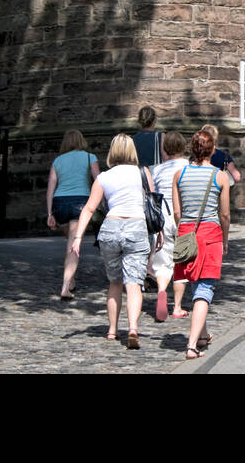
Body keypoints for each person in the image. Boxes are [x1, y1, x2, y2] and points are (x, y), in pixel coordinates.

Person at [71, 134, 161, 349]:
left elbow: (90, 208)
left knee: (114, 282)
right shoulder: (143, 173)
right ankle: (132, 328)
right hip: (136, 228)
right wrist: (160, 233)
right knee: (134, 283)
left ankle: (112, 330)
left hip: (110, 229)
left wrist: (77, 238)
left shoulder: (103, 177)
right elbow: (154, 205)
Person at [173, 130, 230, 360]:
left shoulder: (179, 174)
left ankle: (203, 335)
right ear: (212, 150)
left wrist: (186, 231)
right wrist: (225, 239)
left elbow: (177, 212)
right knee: (205, 288)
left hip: (186, 232)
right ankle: (192, 345)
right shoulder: (220, 176)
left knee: (196, 285)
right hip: (210, 234)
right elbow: (224, 214)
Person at [46, 130, 100, 299]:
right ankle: (65, 286)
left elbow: (50, 189)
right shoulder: (89, 157)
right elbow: (98, 181)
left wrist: (49, 213)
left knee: (70, 240)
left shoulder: (58, 161)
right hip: (80, 202)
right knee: (73, 244)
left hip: (59, 203)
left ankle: (71, 280)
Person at [150, 131, 190, 321]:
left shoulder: (156, 170)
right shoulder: (189, 167)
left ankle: (161, 290)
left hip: (163, 219)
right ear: (183, 148)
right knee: (181, 261)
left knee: (162, 260)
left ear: (165, 149)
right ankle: (178, 307)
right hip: (183, 217)